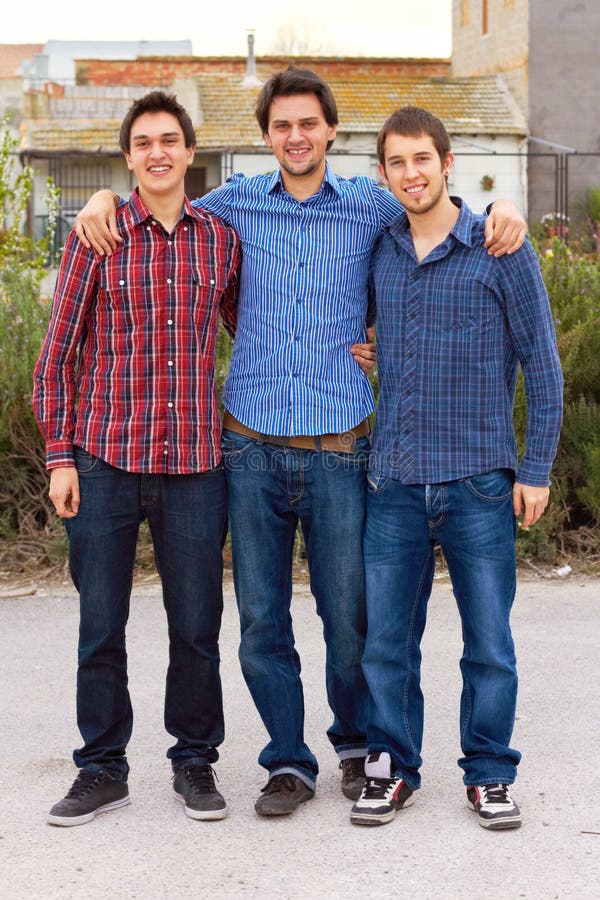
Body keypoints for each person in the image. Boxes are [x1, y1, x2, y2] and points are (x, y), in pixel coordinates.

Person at [74, 68, 527, 817]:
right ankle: (288, 760)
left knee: (350, 620)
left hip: (342, 449)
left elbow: (438, 210)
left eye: (308, 123)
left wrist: (501, 205)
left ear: (330, 131)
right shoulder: (236, 204)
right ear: (266, 136)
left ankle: (357, 748)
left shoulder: (369, 205)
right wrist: (98, 198)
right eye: (281, 125)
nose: (295, 136)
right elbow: (162, 200)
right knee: (260, 623)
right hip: (248, 449)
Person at [349, 106, 563, 830]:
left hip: (478, 483)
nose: (411, 173)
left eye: (422, 159)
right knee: (385, 643)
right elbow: (364, 334)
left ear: (447, 163)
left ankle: (490, 773)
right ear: (383, 174)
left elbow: (544, 365)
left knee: (489, 644)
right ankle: (390, 767)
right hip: (395, 481)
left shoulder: (499, 247)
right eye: (396, 163)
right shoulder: (378, 249)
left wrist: (535, 470)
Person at [33, 91, 240, 827]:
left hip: (193, 464)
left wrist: (348, 343)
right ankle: (101, 768)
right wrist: (61, 458)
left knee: (196, 625)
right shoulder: (97, 235)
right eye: (144, 142)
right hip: (103, 460)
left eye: (170, 140)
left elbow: (259, 330)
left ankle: (194, 761)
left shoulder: (220, 238)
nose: (158, 152)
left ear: (190, 152)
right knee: (100, 624)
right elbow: (55, 359)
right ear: (129, 157)